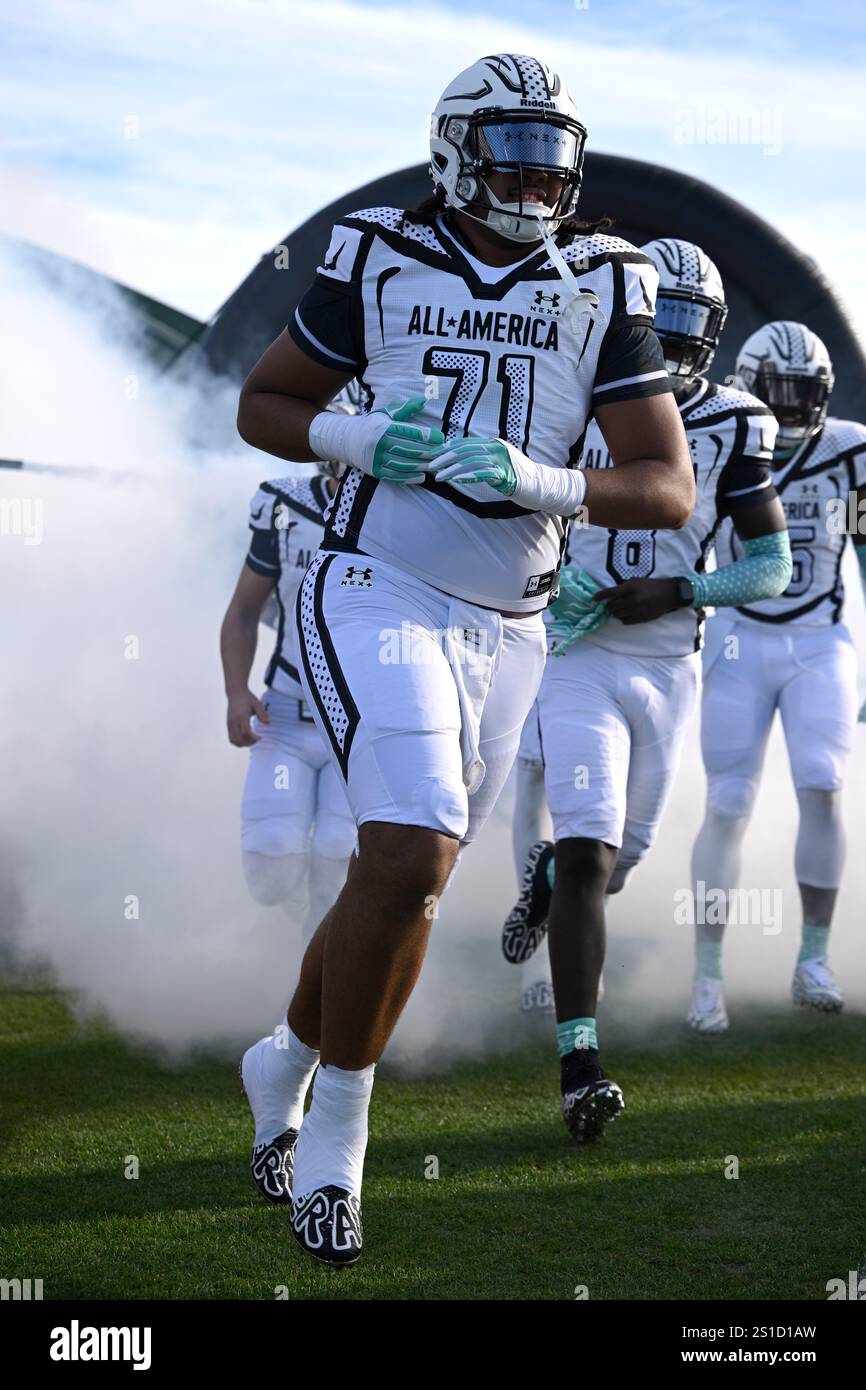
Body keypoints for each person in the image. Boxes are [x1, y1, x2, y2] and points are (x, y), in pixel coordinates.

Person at [235, 53, 695, 1266]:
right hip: (374, 577)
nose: (541, 175)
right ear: (452, 147)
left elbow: (662, 479)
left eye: (555, 150)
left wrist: (542, 479)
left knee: (405, 880)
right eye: (516, 148)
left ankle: (280, 1059)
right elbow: (266, 405)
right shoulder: (374, 250)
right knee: (416, 835)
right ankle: (336, 1151)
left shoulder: (604, 277)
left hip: (514, 618)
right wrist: (357, 434)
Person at [503, 239, 791, 1138]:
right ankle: (580, 1065)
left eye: (681, 323)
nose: (663, 342)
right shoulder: (571, 394)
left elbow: (773, 565)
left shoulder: (740, 423)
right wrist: (555, 588)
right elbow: (515, 506)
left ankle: (547, 875)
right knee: (590, 850)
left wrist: (684, 588)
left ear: (709, 333)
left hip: (671, 665)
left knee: (617, 865)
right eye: (650, 320)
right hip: (580, 655)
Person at [689, 321, 866, 1032]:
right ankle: (707, 973)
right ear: (750, 387)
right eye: (780, 395)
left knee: (822, 784)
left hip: (820, 640)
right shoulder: (726, 435)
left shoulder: (851, 452)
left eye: (805, 396)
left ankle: (813, 956)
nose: (792, 411)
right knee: (729, 803)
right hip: (737, 638)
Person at [220, 391, 357, 955]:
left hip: (359, 727)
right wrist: (235, 692)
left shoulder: (406, 521)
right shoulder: (284, 504)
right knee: (271, 875)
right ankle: (299, 920)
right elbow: (244, 611)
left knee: (337, 864)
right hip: (287, 714)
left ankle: (309, 1004)